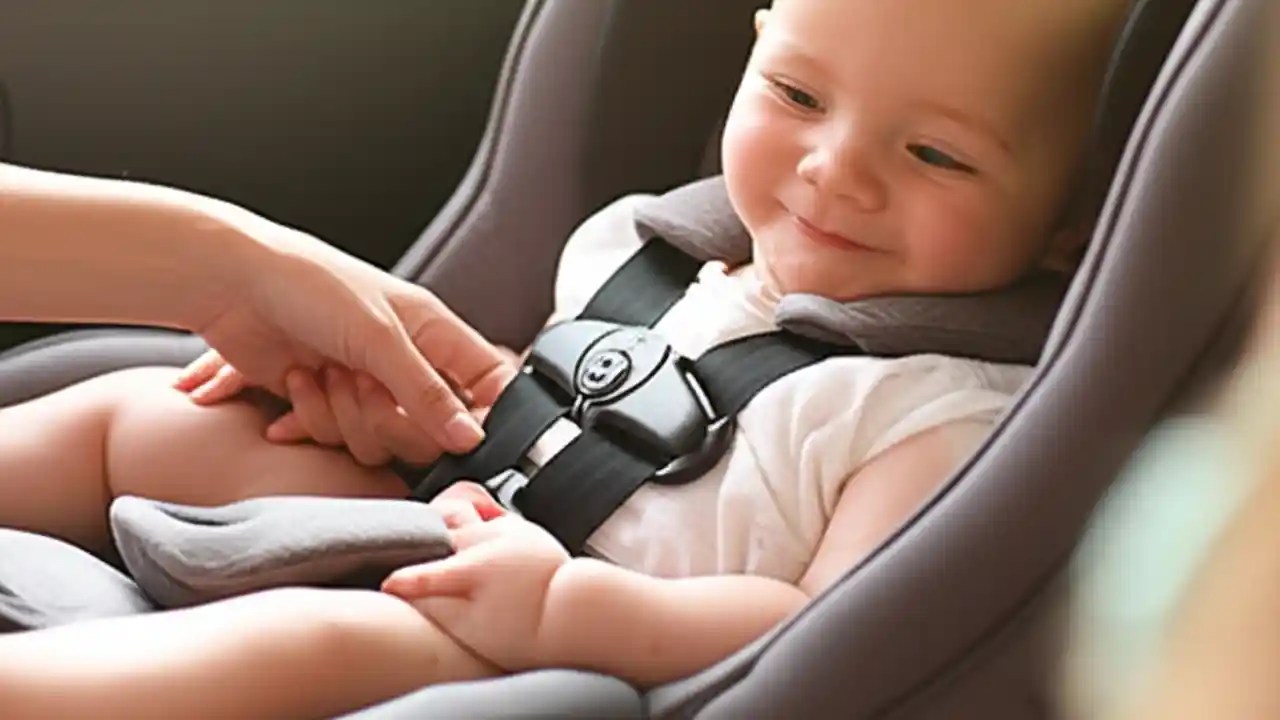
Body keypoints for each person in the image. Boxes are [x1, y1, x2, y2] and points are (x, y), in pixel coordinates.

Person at [0, 0, 1130, 717]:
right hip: (449, 508)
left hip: (563, 644)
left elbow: (824, 627)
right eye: (795, 95)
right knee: (145, 412)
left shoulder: (936, 414)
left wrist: (562, 609)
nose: (835, 171)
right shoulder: (647, 250)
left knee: (326, 640)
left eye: (933, 153)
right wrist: (413, 412)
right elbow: (533, 398)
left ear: (1073, 219)